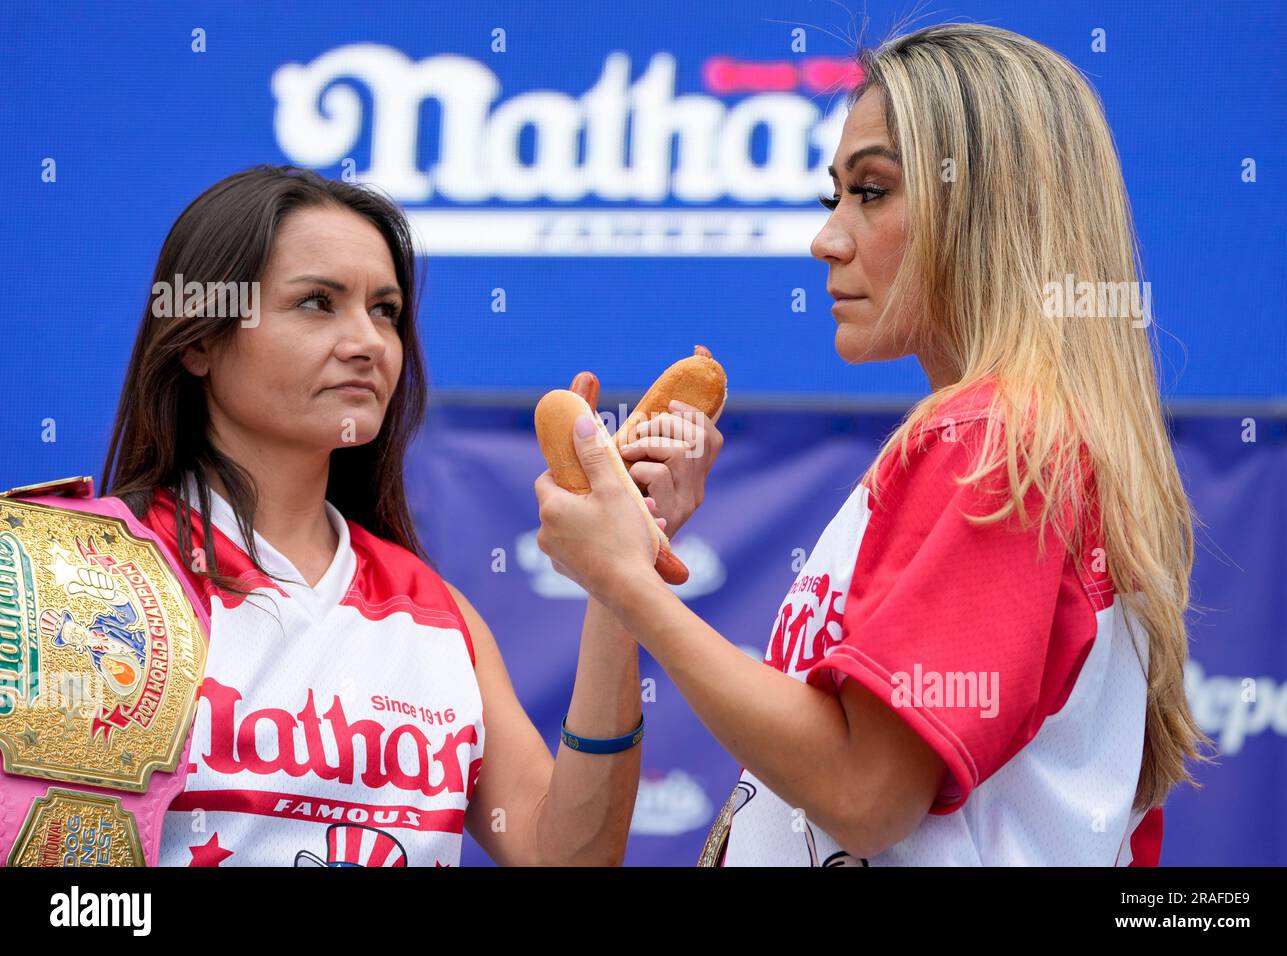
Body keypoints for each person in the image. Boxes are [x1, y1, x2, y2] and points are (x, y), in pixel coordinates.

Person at [534, 23, 1211, 866]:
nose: (828, 239)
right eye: (836, 195)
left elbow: (865, 795)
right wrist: (627, 566)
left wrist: (627, 581)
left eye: (874, 191)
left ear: (990, 207)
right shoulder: (1024, 437)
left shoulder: (994, 438)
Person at [100, 164, 705, 866]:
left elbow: (567, 859)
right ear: (199, 338)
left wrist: (616, 578)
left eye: (384, 310)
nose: (367, 342)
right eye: (317, 303)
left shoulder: (438, 615)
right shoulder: (92, 578)